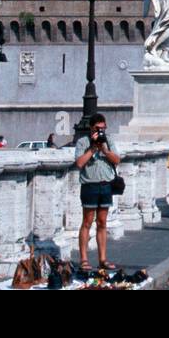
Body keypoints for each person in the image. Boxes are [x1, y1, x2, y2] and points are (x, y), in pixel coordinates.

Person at [73, 113, 121, 271]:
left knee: (102, 222)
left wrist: (105, 150)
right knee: (87, 222)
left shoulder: (109, 141)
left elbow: (117, 160)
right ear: (91, 128)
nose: (101, 132)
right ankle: (84, 259)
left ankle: (102, 259)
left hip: (106, 185)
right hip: (90, 185)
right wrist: (93, 149)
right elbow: (79, 163)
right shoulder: (82, 142)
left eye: (103, 128)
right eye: (98, 129)